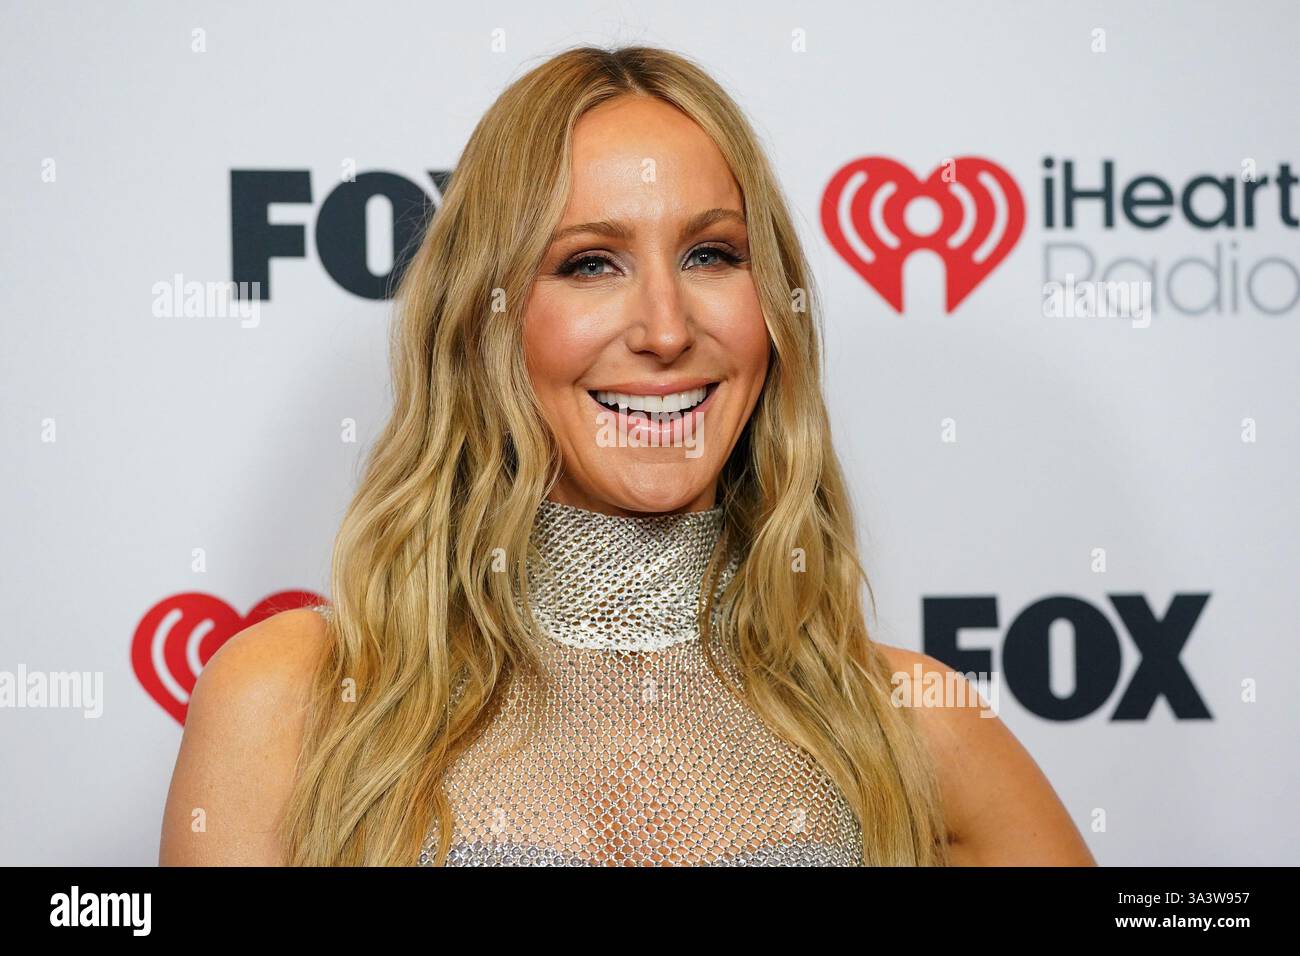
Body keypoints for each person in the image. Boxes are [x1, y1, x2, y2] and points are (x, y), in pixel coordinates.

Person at [159, 45, 1096, 867]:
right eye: (590, 263)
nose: (664, 329)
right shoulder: (294, 703)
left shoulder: (907, 720)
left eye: (712, 255)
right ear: (485, 322)